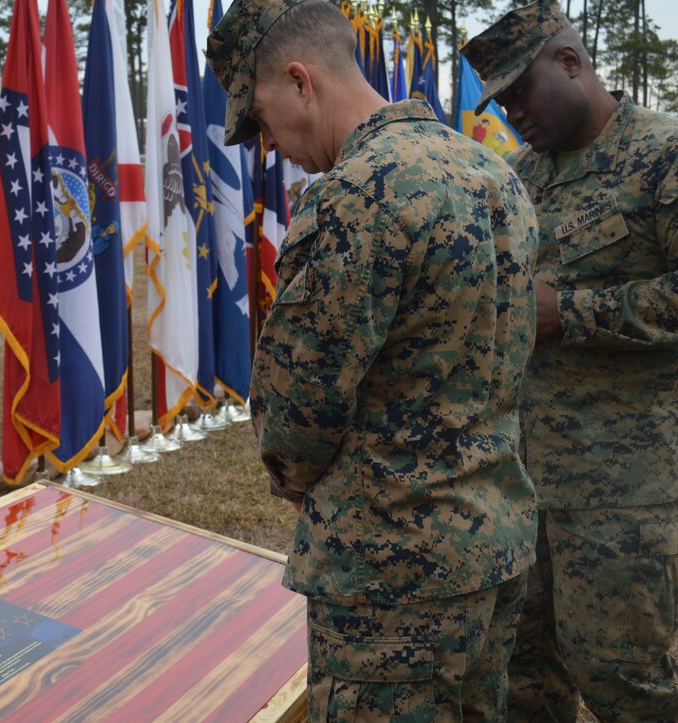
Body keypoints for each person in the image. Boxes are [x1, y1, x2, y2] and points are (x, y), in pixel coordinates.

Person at [205, 0, 539, 719]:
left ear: (300, 81)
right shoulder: (496, 174)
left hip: (393, 579)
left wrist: (292, 479)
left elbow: (296, 413)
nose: (268, 147)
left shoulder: (357, 195)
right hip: (497, 547)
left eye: (260, 120)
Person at [462, 3, 678, 720]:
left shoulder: (661, 154)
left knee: (629, 684)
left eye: (522, 90)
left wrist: (575, 313)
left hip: (626, 490)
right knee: (521, 680)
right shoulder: (519, 176)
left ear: (570, 61)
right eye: (501, 101)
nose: (514, 111)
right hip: (521, 485)